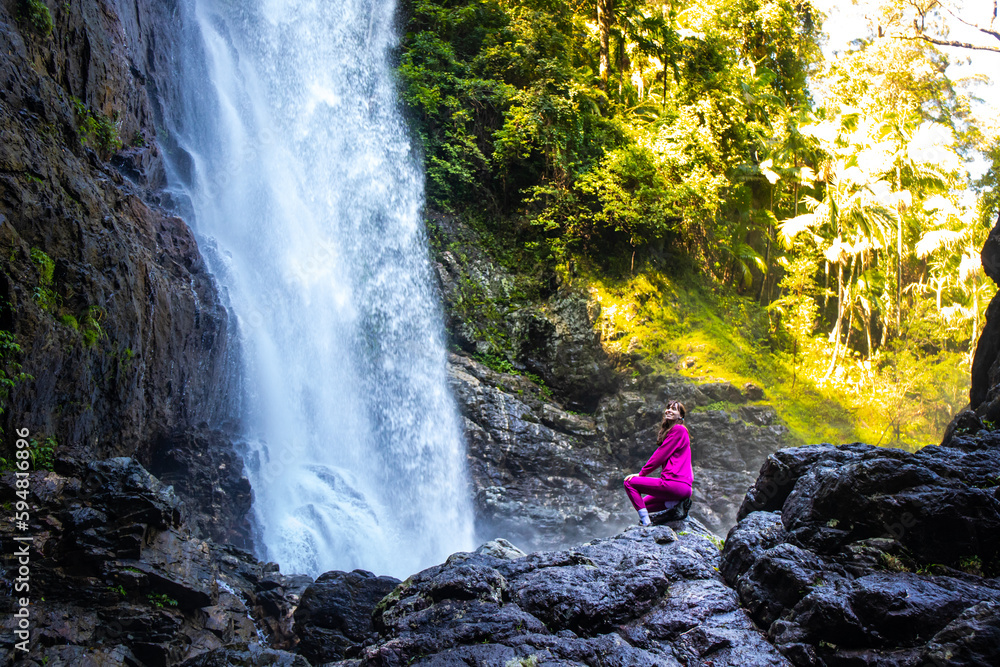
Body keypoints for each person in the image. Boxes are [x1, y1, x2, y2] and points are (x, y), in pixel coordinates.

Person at [623, 400, 692, 527]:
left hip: (674, 484)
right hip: (683, 488)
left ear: (680, 416)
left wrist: (641, 474)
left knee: (629, 482)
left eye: (674, 409)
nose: (669, 410)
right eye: (668, 408)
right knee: (644, 504)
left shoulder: (678, 429)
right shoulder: (679, 432)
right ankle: (675, 504)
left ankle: (646, 523)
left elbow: (660, 455)